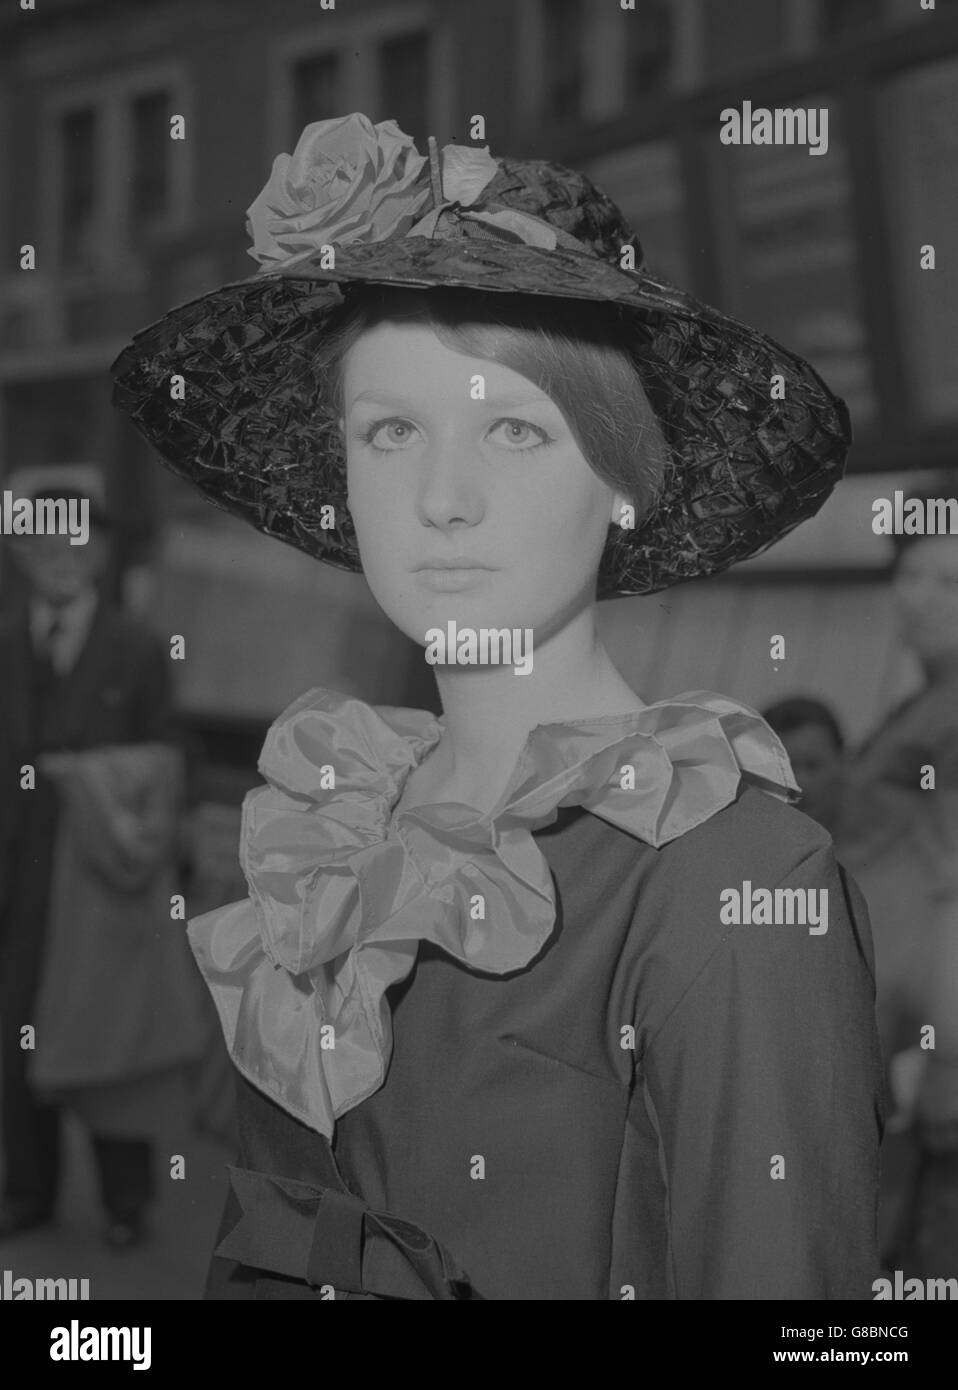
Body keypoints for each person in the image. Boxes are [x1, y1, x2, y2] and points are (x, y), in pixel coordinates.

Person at [110, 114, 884, 1299]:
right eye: (391, 430)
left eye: (515, 428)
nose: (443, 498)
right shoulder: (337, 823)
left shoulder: (731, 880)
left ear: (624, 483)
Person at [0, 468, 207, 1248]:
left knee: (111, 1037)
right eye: (41, 536)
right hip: (17, 882)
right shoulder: (3, 643)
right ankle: (28, 1192)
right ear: (19, 551)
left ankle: (127, 1202)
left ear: (100, 552)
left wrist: (97, 782)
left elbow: (173, 753)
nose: (59, 552)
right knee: (17, 1036)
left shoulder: (137, 649)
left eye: (75, 537)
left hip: (101, 879)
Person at [840, 522, 958, 1275]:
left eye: (947, 582)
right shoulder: (920, 708)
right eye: (911, 575)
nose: (918, 597)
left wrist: (947, 1052)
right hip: (891, 1024)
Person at [762, 697, 846, 838]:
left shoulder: (879, 847)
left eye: (813, 766)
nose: (800, 783)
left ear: (843, 763)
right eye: (785, 769)